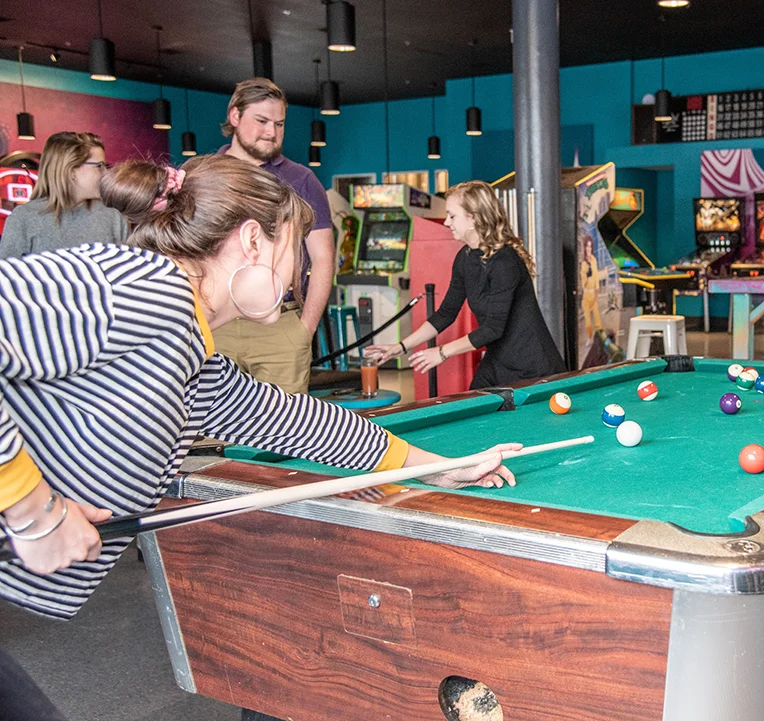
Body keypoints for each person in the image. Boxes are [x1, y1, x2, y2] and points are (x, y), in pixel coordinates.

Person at [0, 155, 521, 718]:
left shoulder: (187, 342)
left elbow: (287, 418)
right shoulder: (142, 289)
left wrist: (434, 466)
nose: (299, 274)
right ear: (253, 240)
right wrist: (33, 510)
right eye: (295, 251)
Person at [365, 180, 566, 388]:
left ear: (474, 217)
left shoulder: (505, 262)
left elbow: (493, 329)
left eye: (452, 216)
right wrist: (400, 347)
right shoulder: (465, 257)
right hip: (498, 362)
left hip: (533, 366)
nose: (446, 222)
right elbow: (446, 314)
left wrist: (442, 352)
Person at [213, 78, 336, 394]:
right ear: (235, 116)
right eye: (262, 121)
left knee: (286, 424)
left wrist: (305, 329)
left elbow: (323, 257)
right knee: (211, 423)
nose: (271, 132)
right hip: (216, 325)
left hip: (281, 325)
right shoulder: (205, 175)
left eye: (279, 124)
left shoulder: (301, 179)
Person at [0, 132, 128, 259]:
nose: (105, 173)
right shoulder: (24, 218)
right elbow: (6, 271)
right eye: (99, 166)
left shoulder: (114, 217)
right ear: (71, 170)